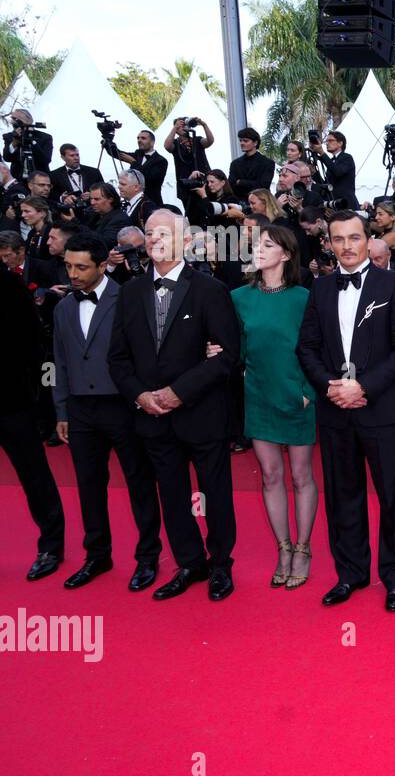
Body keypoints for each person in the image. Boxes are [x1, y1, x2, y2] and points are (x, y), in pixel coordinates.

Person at [107, 209, 241, 601]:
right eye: (149, 233)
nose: (155, 240)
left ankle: (220, 565)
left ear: (185, 239)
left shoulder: (209, 289)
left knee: (215, 493)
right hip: (152, 416)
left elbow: (228, 356)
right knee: (172, 494)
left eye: (163, 233)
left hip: (202, 413)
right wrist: (141, 396)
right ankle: (189, 562)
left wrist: (179, 391)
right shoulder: (129, 292)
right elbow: (117, 358)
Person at [295, 210, 395, 612]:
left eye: (354, 238)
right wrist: (331, 388)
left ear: (368, 239)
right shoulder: (320, 288)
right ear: (328, 243)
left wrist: (362, 387)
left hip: (382, 408)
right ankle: (350, 573)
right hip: (336, 411)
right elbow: (307, 348)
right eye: (338, 239)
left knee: (394, 496)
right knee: (342, 496)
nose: (346, 246)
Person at [52, 232, 162, 590]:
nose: (73, 274)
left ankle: (148, 557)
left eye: (81, 267)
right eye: (68, 266)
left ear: (103, 265)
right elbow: (60, 362)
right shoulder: (63, 307)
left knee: (139, 482)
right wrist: (62, 410)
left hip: (123, 404)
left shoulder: (128, 297)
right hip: (81, 410)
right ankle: (97, 555)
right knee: (88, 485)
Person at [222, 224, 319, 590]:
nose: (259, 249)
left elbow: (316, 347)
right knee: (271, 475)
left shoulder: (302, 298)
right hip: (259, 395)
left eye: (267, 245)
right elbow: (237, 350)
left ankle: (303, 548)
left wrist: (310, 390)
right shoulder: (238, 297)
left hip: (297, 394)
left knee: (300, 475)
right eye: (257, 244)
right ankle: (283, 547)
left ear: (286, 254)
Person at [0, 232, 65, 580]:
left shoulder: (9, 287)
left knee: (33, 474)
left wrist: (28, 391)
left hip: (11, 401)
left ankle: (52, 545)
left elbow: (32, 342)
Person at [114, 130, 168, 205]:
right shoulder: (137, 155)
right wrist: (108, 140)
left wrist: (134, 163)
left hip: (152, 202)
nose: (139, 140)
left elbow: (150, 178)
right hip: (134, 201)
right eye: (138, 138)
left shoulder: (161, 161)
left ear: (152, 142)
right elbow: (118, 154)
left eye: (143, 138)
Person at [310, 130, 358, 209]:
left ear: (340, 143)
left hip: (346, 204)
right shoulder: (331, 161)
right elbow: (326, 185)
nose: (327, 143)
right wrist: (314, 173)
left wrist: (322, 153)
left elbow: (337, 172)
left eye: (330, 140)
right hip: (333, 204)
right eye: (326, 141)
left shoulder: (347, 157)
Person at [229, 128, 276, 199]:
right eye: (240, 140)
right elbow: (231, 185)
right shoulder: (235, 163)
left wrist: (240, 182)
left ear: (255, 143)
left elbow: (263, 186)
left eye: (245, 141)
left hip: (260, 202)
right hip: (239, 202)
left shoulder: (267, 163)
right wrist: (252, 183)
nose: (242, 143)